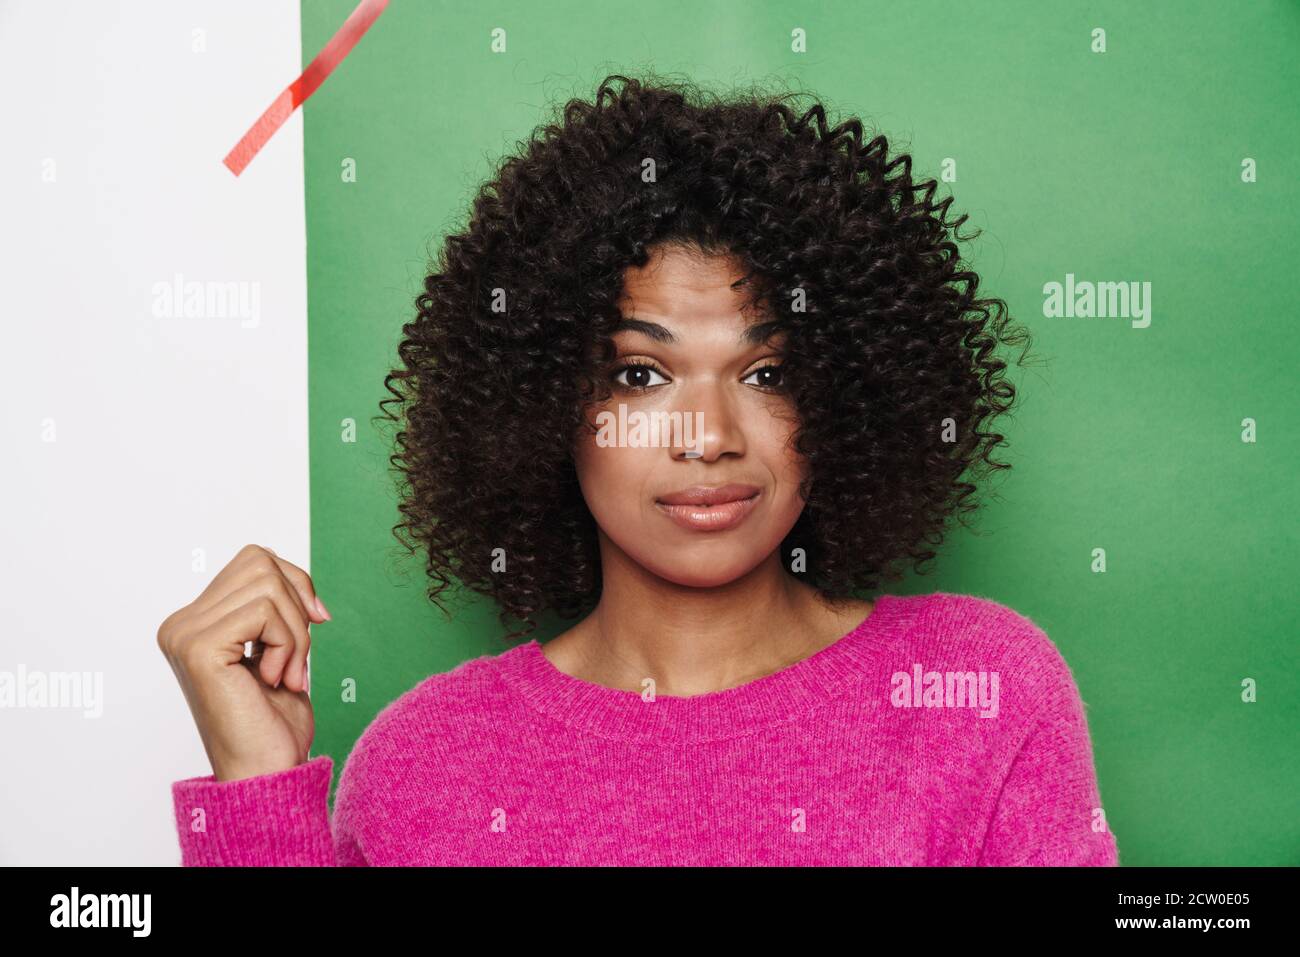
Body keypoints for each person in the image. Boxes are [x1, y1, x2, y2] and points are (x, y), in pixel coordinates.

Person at [158, 74, 1118, 866]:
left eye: (768, 372)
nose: (707, 434)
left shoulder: (978, 693)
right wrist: (257, 787)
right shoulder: (424, 767)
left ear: (845, 398)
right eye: (639, 373)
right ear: (543, 404)